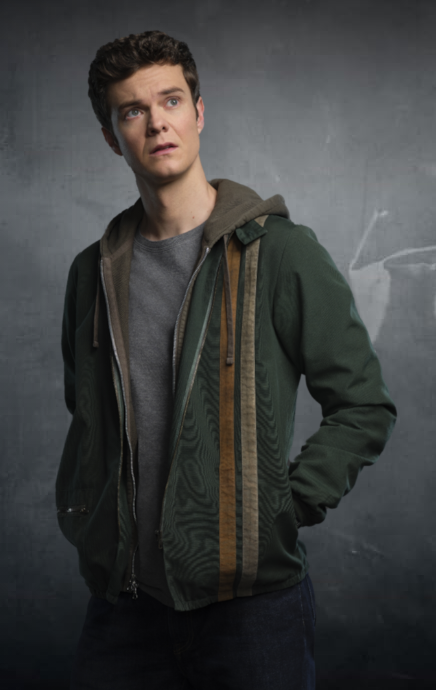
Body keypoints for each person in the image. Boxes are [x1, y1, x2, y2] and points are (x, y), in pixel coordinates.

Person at [57, 29, 397, 690]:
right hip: (124, 606)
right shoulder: (91, 273)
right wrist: (85, 515)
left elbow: (363, 405)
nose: (157, 122)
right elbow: (87, 414)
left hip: (253, 610)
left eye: (171, 101)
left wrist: (284, 508)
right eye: (132, 111)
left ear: (199, 112)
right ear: (112, 137)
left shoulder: (281, 253)